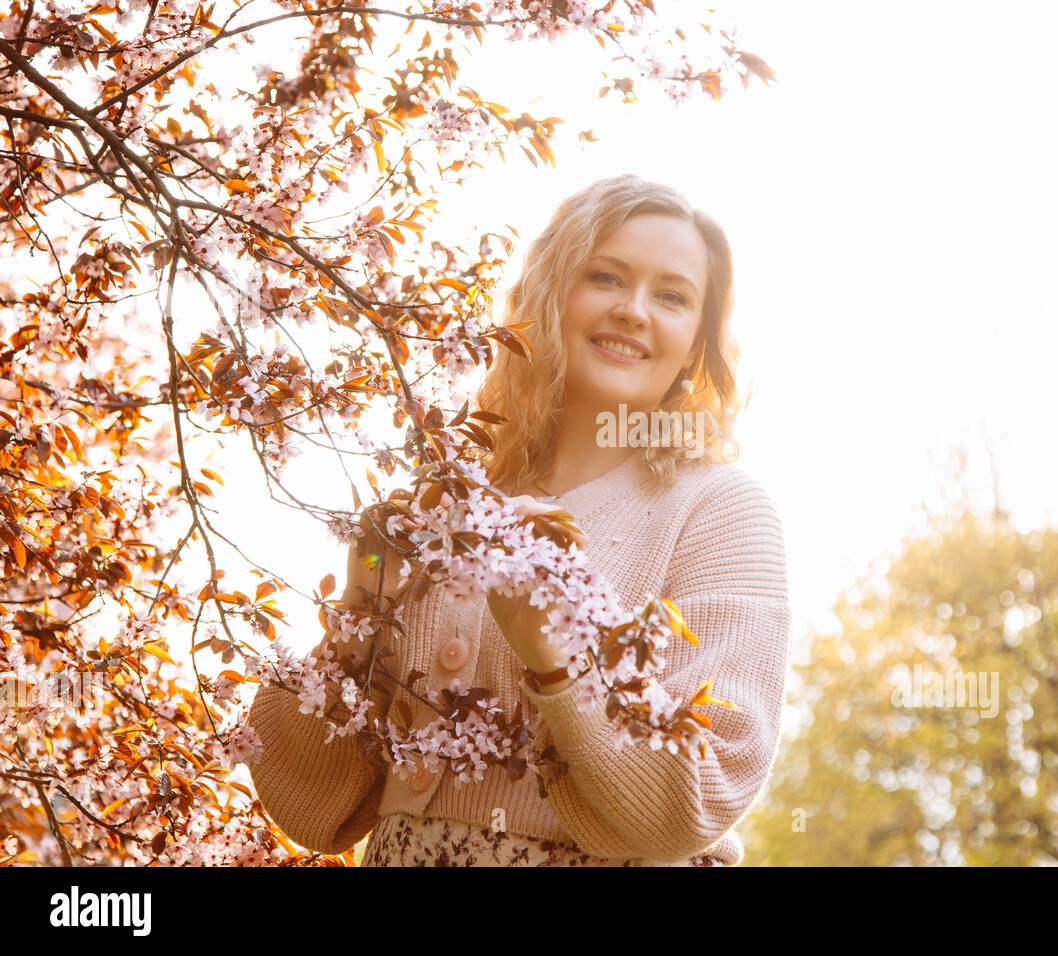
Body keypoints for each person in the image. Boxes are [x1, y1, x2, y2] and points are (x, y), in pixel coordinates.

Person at [247, 173, 791, 866]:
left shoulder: (719, 509)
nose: (633, 310)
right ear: (549, 293)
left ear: (696, 342)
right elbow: (311, 810)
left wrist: (558, 663)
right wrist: (359, 614)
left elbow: (693, 804)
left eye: (672, 296)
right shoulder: (443, 500)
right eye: (605, 277)